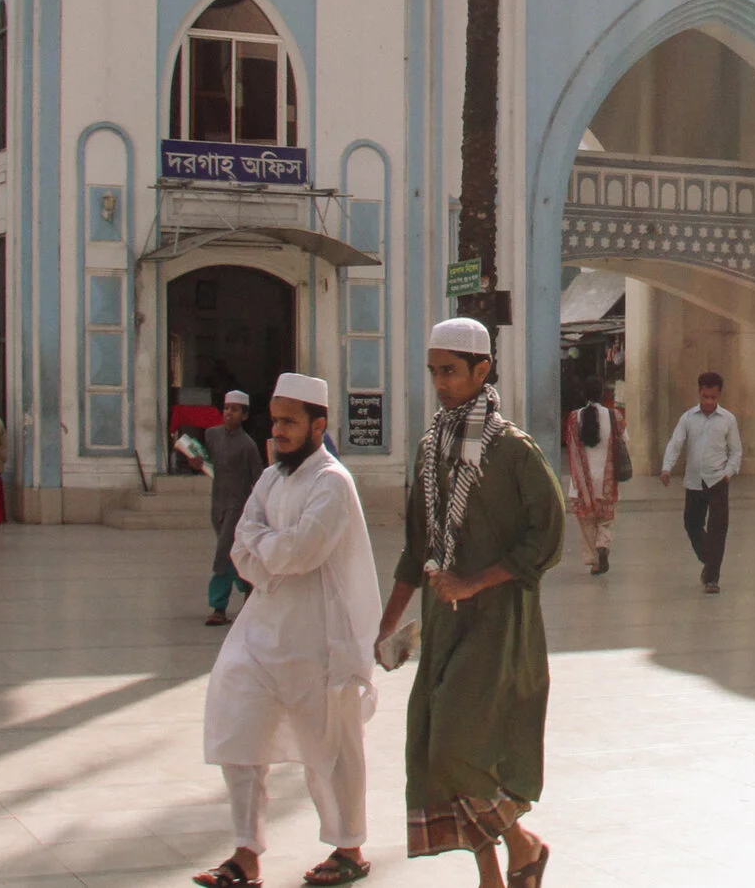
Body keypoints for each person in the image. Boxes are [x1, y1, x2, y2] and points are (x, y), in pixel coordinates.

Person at [380, 317, 563, 885]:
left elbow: (548, 536)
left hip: (498, 619)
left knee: (463, 742)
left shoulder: (512, 450)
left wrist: (475, 582)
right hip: (443, 618)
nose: (439, 382)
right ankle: (496, 868)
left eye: (450, 371)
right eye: (433, 371)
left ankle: (522, 842)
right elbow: (419, 543)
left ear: (482, 370)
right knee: (436, 745)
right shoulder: (431, 446)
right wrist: (386, 623)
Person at [195, 373, 379, 888]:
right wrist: (270, 549)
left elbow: (302, 551)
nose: (278, 431)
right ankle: (245, 854)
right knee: (237, 731)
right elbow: (240, 543)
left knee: (332, 750)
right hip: (260, 632)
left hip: (320, 638)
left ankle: (348, 848)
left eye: (289, 422)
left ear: (318, 424)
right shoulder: (273, 478)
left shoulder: (333, 483)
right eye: (274, 421)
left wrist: (266, 548)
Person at [660, 370, 742, 593]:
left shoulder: (728, 420)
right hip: (694, 481)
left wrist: (728, 473)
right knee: (692, 523)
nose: (708, 401)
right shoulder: (688, 418)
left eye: (713, 397)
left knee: (718, 529)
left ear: (719, 396)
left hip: (718, 480)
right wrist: (667, 467)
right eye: (705, 397)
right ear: (699, 393)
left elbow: (736, 451)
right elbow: (676, 443)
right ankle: (709, 558)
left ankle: (712, 578)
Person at [205, 390, 265, 625]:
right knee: (231, 554)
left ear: (244, 415)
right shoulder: (212, 435)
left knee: (223, 552)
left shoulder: (248, 446)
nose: (229, 413)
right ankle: (250, 587)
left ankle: (218, 606)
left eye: (235, 409)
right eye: (226, 408)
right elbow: (212, 466)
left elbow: (258, 479)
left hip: (237, 506)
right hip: (217, 503)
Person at [563, 386, 621, 572]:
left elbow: (570, 445)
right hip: (606, 479)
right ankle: (603, 545)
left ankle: (594, 560)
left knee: (586, 521)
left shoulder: (573, 417)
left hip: (581, 483)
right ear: (603, 395)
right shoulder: (614, 416)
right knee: (605, 520)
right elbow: (624, 439)